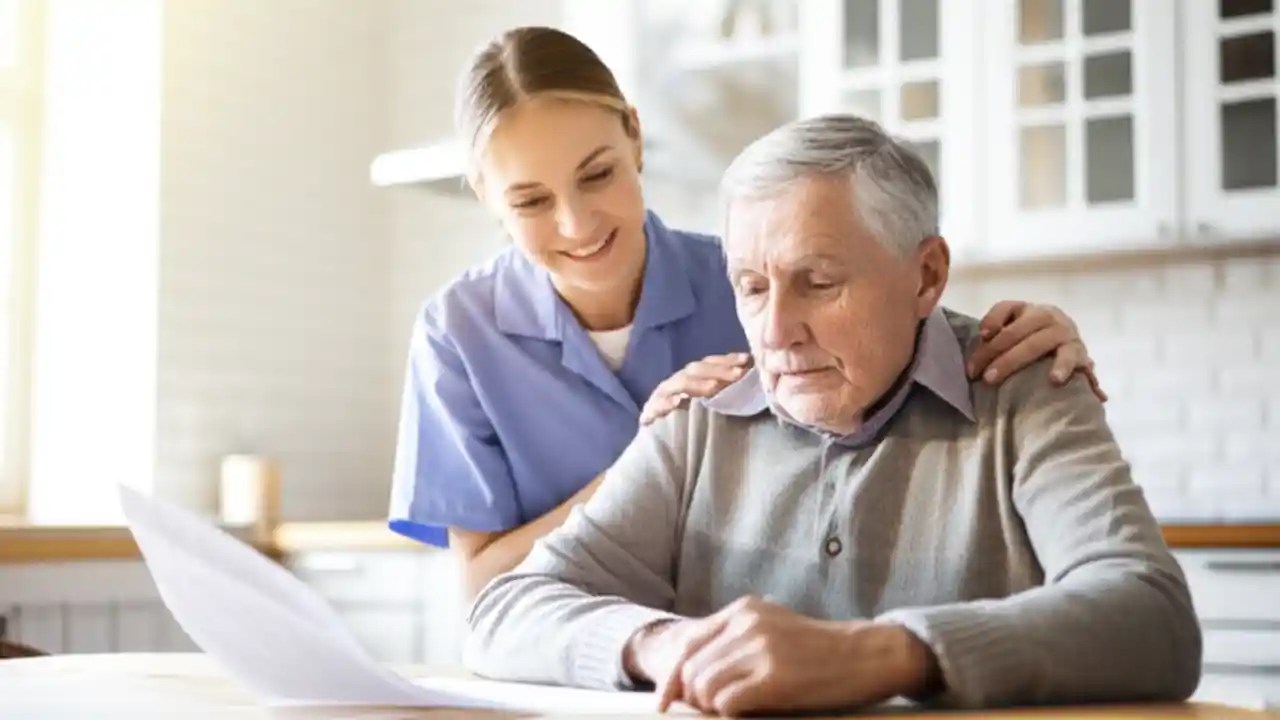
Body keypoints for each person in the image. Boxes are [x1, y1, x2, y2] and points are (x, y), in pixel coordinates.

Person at [463, 114, 1201, 716]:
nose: (776, 330)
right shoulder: (702, 415)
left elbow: (1153, 619)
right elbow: (504, 612)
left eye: (818, 282)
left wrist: (877, 655)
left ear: (928, 275)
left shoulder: (1022, 387)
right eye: (751, 287)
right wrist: (665, 645)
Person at [388, 26, 1106, 600]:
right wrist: (645, 470)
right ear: (486, 194)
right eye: (530, 201)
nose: (576, 224)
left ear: (634, 135)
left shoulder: (752, 282)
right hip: (579, 663)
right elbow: (484, 581)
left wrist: (1022, 336)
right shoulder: (458, 334)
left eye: (598, 174)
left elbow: (901, 329)